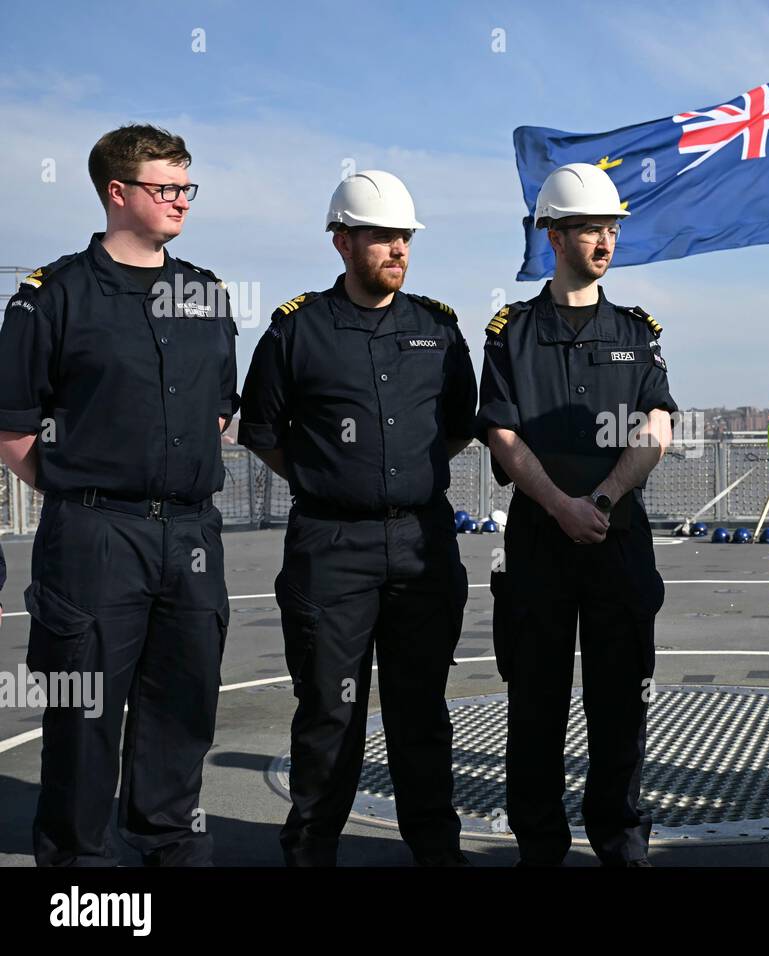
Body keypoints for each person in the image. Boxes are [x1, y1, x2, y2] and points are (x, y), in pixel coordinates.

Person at [0, 125, 238, 866]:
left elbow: (221, 413)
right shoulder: (53, 296)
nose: (180, 202)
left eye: (185, 188)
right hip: (95, 538)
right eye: (165, 188)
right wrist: (85, 497)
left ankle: (169, 850)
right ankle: (83, 873)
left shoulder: (206, 293)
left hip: (192, 536)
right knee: (84, 719)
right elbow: (12, 430)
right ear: (117, 193)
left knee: (182, 711)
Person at [238, 170, 476, 866]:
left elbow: (460, 425)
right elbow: (262, 431)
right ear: (342, 242)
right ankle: (311, 854)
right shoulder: (296, 331)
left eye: (404, 236)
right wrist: (328, 480)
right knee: (327, 716)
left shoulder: (438, 328)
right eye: (380, 235)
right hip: (329, 545)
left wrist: (400, 478)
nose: (397, 248)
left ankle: (438, 854)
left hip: (422, 545)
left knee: (421, 714)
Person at [477, 162, 676, 866]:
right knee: (536, 704)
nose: (606, 239)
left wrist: (598, 501)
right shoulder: (511, 333)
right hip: (538, 543)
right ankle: (541, 845)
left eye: (612, 226)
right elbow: (502, 433)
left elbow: (656, 426)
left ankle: (619, 839)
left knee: (620, 705)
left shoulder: (636, 330)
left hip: (617, 541)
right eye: (592, 226)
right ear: (554, 236)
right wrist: (561, 507)